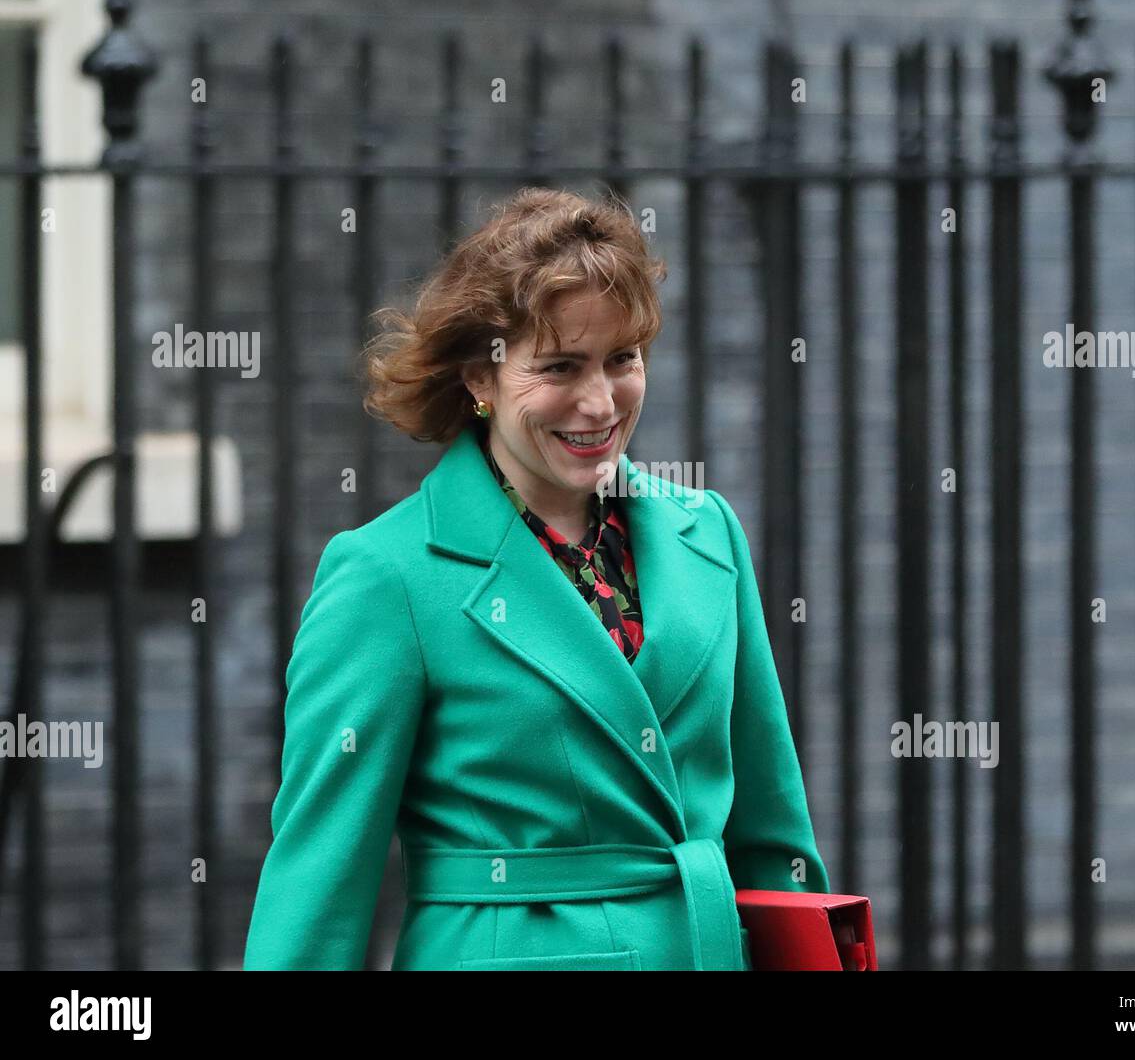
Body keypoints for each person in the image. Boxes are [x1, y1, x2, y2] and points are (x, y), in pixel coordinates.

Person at [242, 186, 830, 971]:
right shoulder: (386, 575)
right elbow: (320, 881)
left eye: (622, 358)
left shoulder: (706, 531)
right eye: (559, 366)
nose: (599, 401)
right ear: (479, 381)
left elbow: (770, 833)